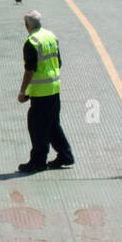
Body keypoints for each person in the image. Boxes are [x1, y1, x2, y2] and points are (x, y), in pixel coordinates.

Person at [17, 10, 74, 173]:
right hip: (54, 88)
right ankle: (65, 155)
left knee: (36, 125)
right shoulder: (51, 37)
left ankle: (38, 161)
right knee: (52, 124)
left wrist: (22, 92)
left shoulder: (31, 43)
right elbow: (59, 62)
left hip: (41, 93)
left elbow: (30, 70)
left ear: (27, 26)